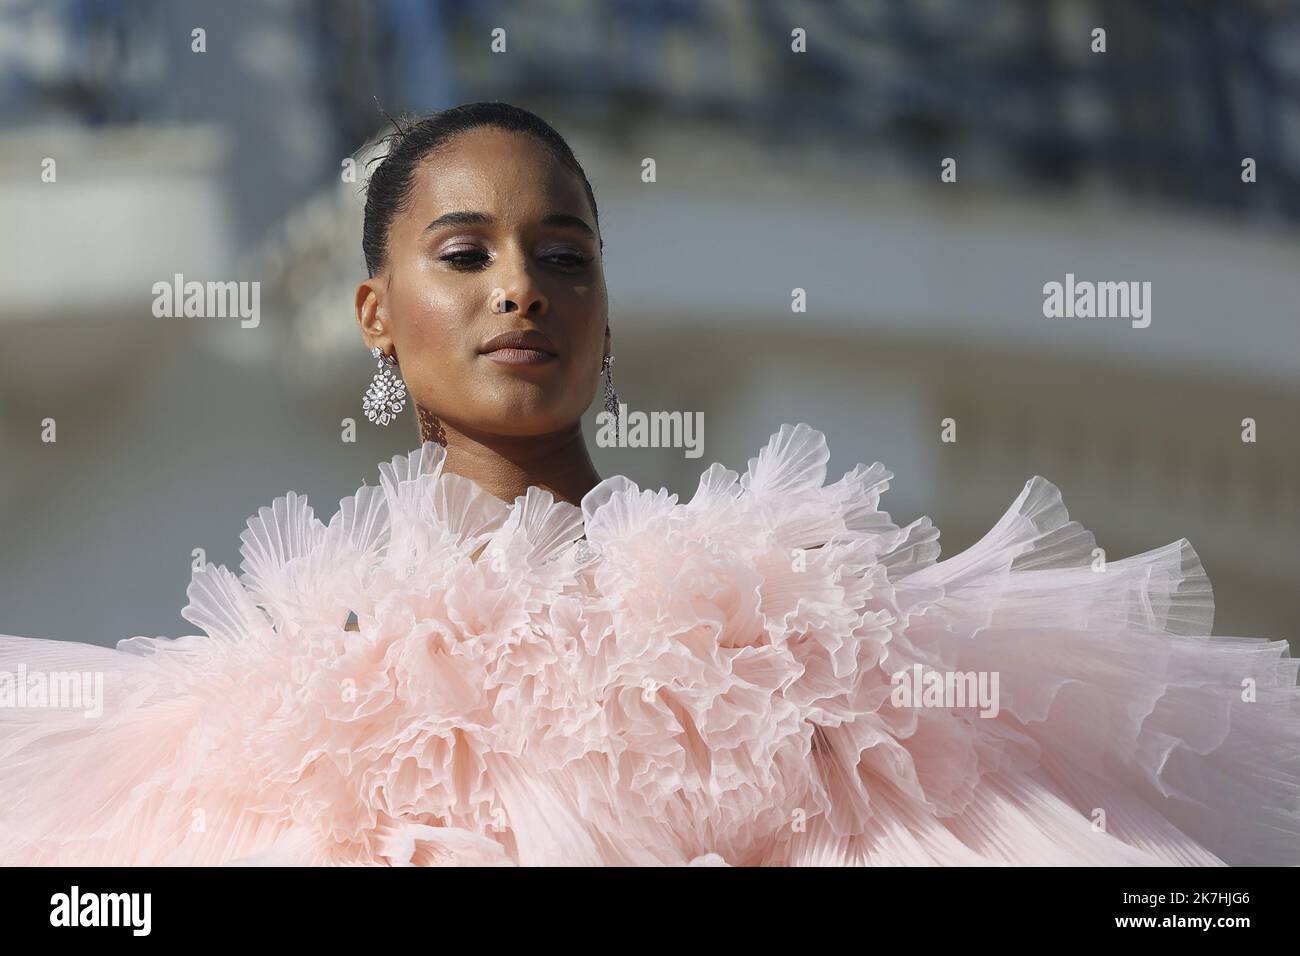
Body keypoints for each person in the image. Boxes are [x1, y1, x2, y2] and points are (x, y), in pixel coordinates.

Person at [2, 102, 1298, 866]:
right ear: (375, 314)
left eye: (564, 255)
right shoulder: (258, 725)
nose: (522, 287)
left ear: (605, 313)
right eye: (466, 252)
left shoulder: (787, 635)